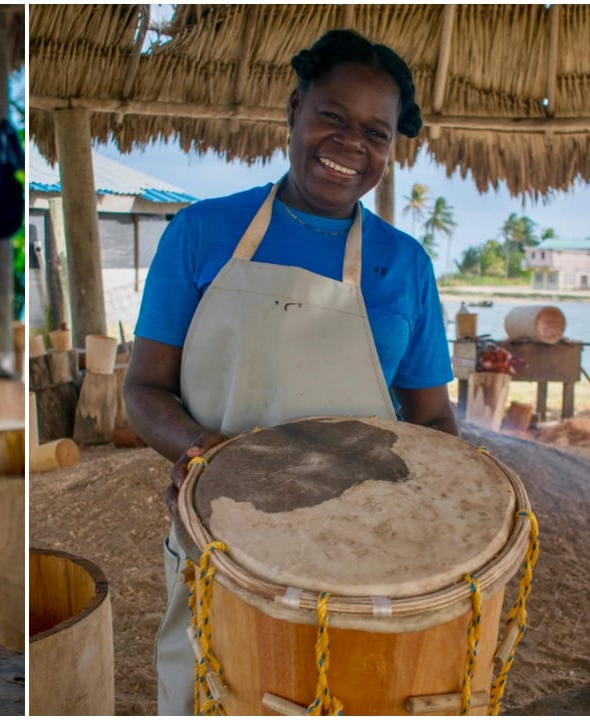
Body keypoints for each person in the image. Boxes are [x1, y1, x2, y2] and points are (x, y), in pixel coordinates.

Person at [122, 29, 458, 715]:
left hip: (364, 545)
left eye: (376, 132)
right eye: (332, 115)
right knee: (217, 687)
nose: (350, 144)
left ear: (391, 149)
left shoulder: (404, 264)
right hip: (224, 534)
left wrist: (447, 507)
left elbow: (430, 419)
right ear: (294, 109)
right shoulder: (203, 231)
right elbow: (144, 387)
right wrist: (207, 460)